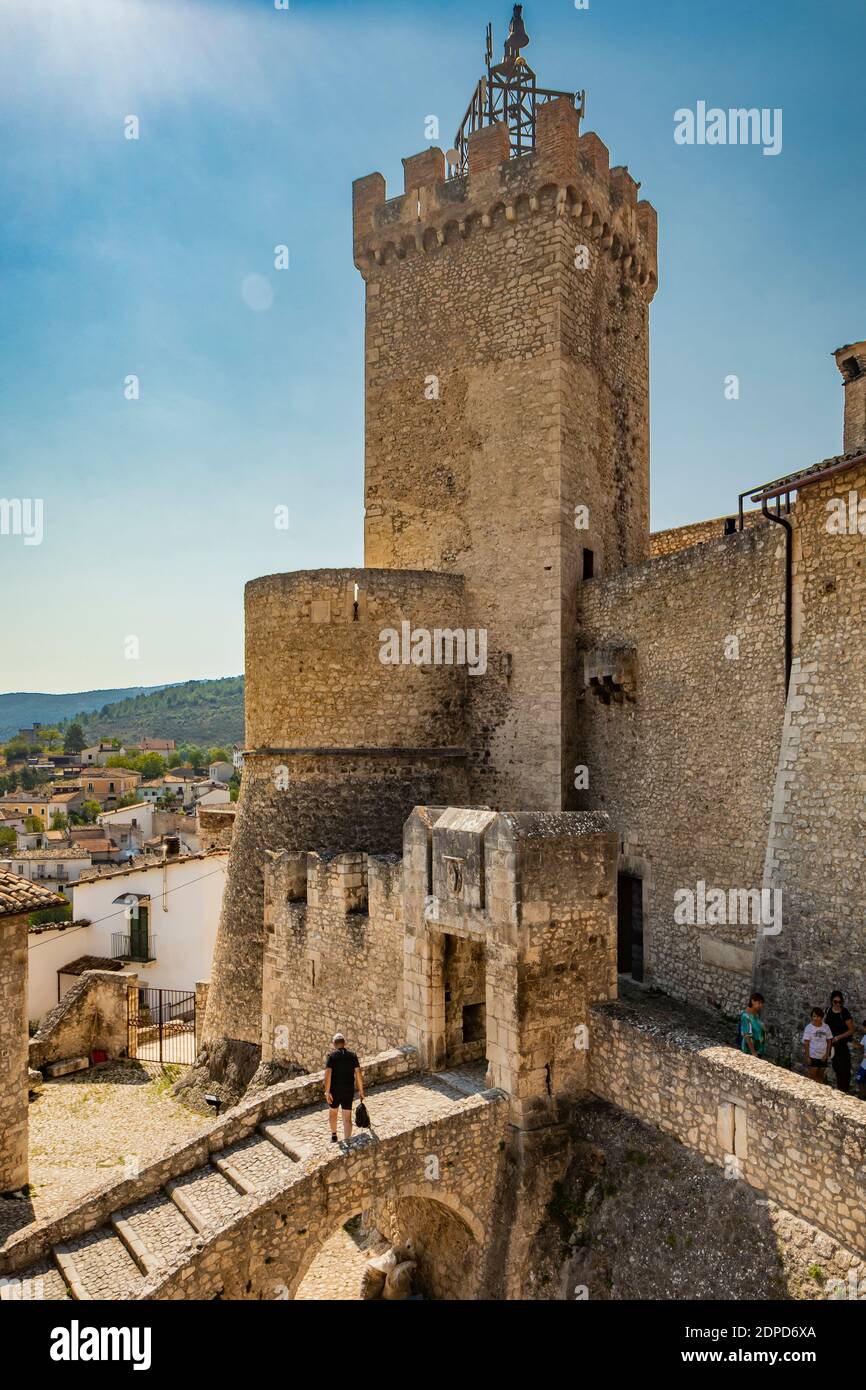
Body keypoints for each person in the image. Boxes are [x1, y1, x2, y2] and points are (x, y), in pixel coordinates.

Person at [324, 1032, 365, 1146]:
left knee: (333, 1112)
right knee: (347, 1117)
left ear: (334, 1044)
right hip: (348, 1090)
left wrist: (327, 1092)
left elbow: (328, 1074)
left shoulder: (331, 1056)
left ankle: (334, 1135)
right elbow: (358, 1074)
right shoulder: (352, 1055)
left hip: (335, 1090)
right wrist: (361, 1091)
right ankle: (347, 1140)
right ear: (344, 1043)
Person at [825, 991, 855, 1094]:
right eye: (835, 1002)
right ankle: (840, 1091)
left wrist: (838, 1037)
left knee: (844, 1070)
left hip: (842, 1045)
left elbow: (851, 1030)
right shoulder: (828, 1011)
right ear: (832, 1001)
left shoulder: (844, 1012)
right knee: (836, 1067)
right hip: (832, 1045)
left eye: (840, 1002)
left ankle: (844, 1091)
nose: (838, 1004)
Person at [802, 1007, 832, 1083]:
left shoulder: (826, 1027)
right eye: (814, 1016)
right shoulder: (809, 1028)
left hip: (823, 1057)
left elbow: (829, 1041)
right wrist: (807, 1057)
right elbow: (806, 1043)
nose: (815, 1018)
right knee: (812, 1078)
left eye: (818, 1016)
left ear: (821, 1017)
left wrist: (826, 1055)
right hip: (813, 1056)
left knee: (820, 1077)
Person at [739, 993, 766, 1057]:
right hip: (750, 1052)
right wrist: (753, 1053)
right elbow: (747, 1036)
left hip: (758, 1050)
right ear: (752, 1001)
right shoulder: (746, 1015)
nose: (761, 1005)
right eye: (759, 1003)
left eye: (762, 1003)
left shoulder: (755, 1015)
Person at [856, 1022, 866, 1101]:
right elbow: (860, 1046)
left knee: (860, 1081)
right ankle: (862, 1097)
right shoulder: (865, 1036)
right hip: (864, 1064)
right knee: (860, 1080)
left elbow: (859, 1046)